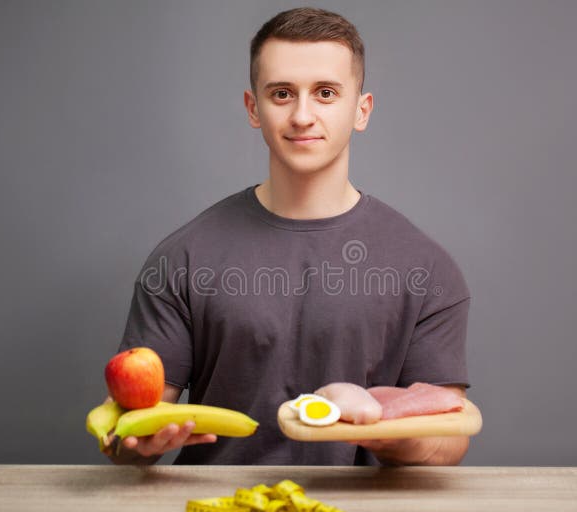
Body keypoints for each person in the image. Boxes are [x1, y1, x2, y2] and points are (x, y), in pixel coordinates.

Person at [105, 7, 472, 466]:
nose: (302, 115)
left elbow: (450, 438)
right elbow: (131, 434)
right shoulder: (180, 258)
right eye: (282, 93)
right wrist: (137, 445)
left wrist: (380, 431)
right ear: (252, 108)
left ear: (362, 110)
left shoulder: (427, 268)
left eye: (325, 93)